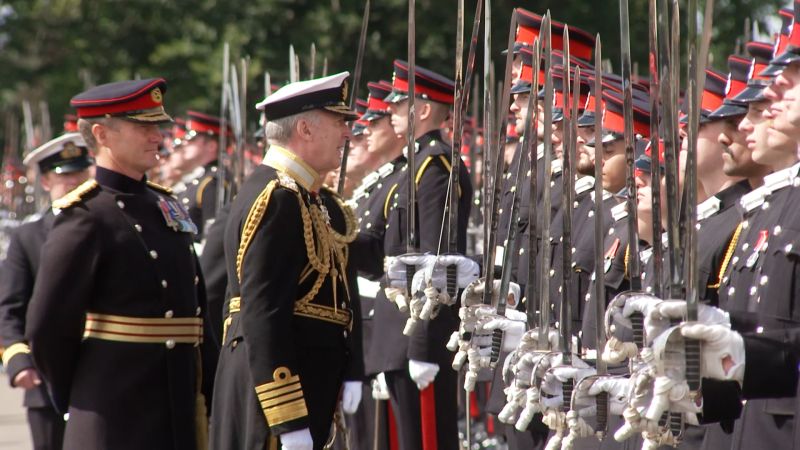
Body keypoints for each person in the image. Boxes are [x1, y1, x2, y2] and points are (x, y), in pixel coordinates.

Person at [24, 78, 216, 450]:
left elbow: (195, 314)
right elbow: (48, 326)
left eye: (157, 126)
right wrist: (78, 394)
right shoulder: (86, 215)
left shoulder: (165, 205)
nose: (157, 136)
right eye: (143, 126)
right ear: (102, 134)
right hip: (114, 413)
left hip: (176, 411)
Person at [209, 72, 364, 450]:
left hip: (307, 387)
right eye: (338, 122)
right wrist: (287, 418)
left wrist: (350, 369)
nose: (347, 134)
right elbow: (261, 312)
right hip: (274, 398)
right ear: (306, 129)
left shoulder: (309, 197)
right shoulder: (277, 198)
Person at [0, 132, 92, 450]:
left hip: (98, 370)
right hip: (44, 378)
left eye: (81, 172)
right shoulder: (28, 237)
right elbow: (10, 306)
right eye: (65, 175)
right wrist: (18, 360)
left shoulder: (106, 225)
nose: (75, 182)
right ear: (46, 182)